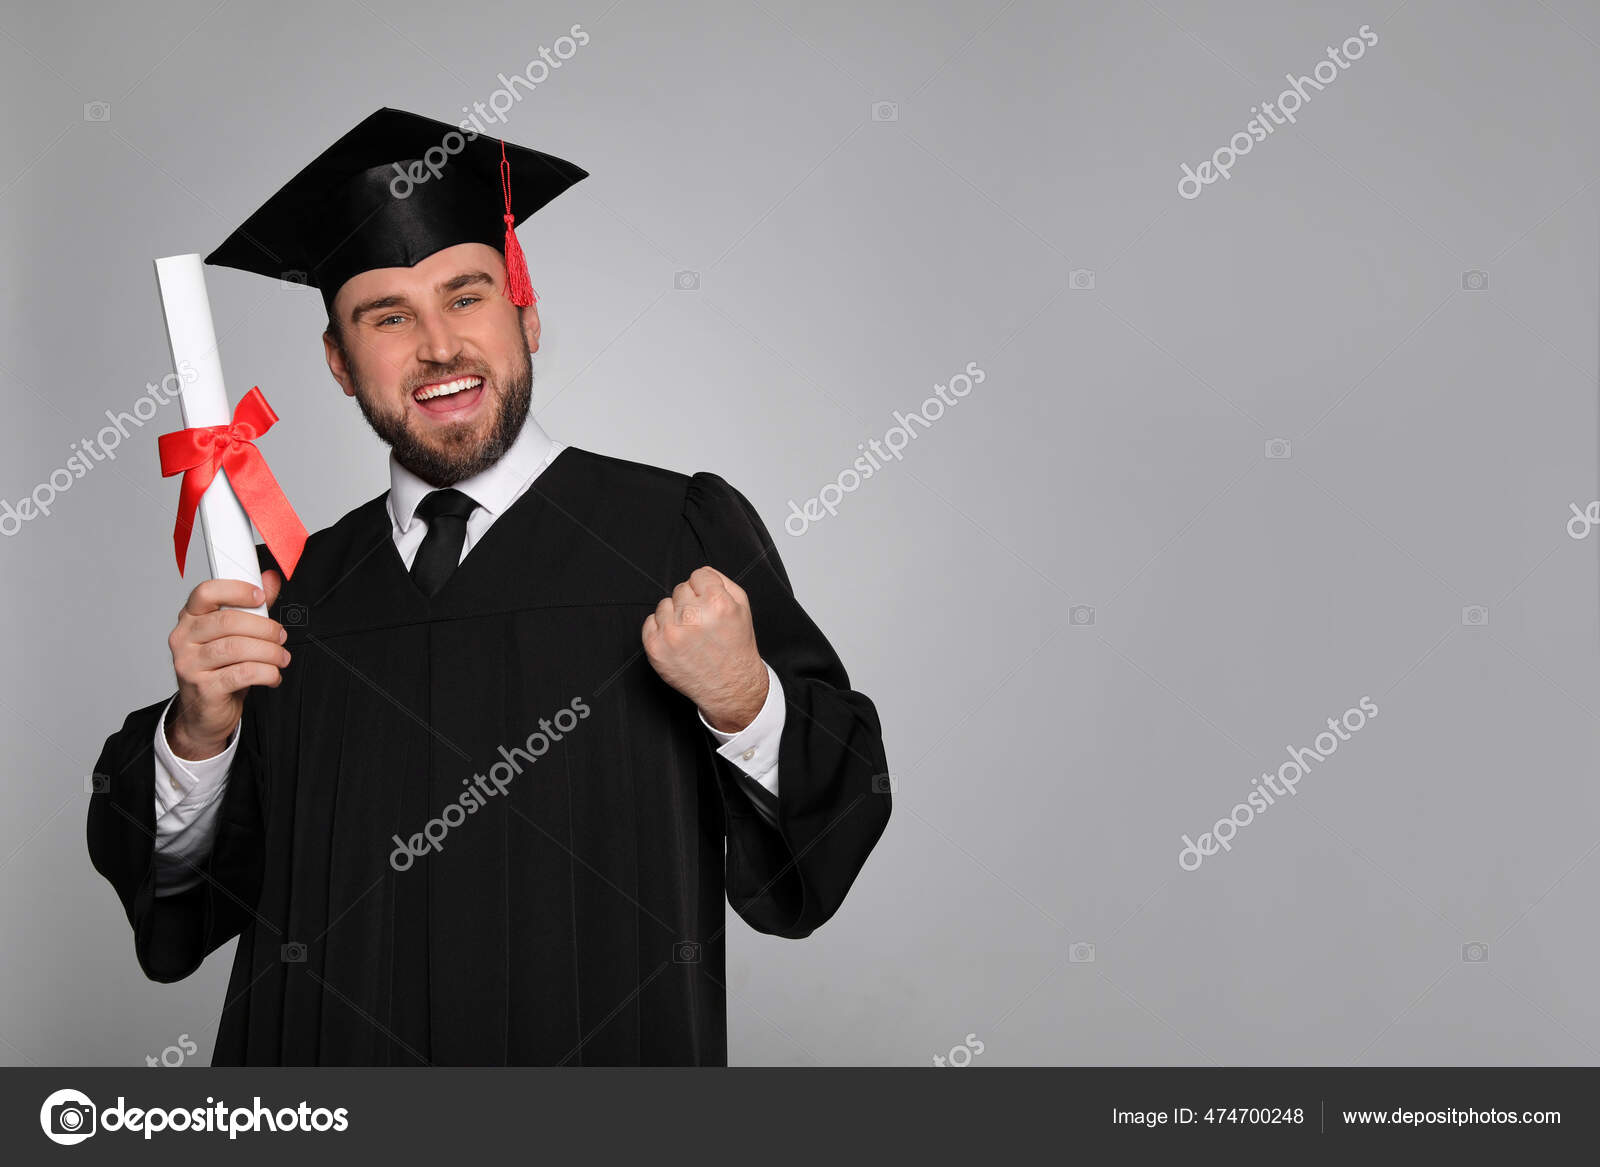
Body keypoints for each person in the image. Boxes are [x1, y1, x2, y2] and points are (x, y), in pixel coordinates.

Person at [87, 107, 891, 1066]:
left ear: (527, 312)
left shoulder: (673, 531)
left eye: (465, 297)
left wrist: (743, 699)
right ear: (340, 363)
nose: (437, 347)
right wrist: (197, 734)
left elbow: (837, 814)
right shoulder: (286, 590)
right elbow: (180, 897)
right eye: (387, 316)